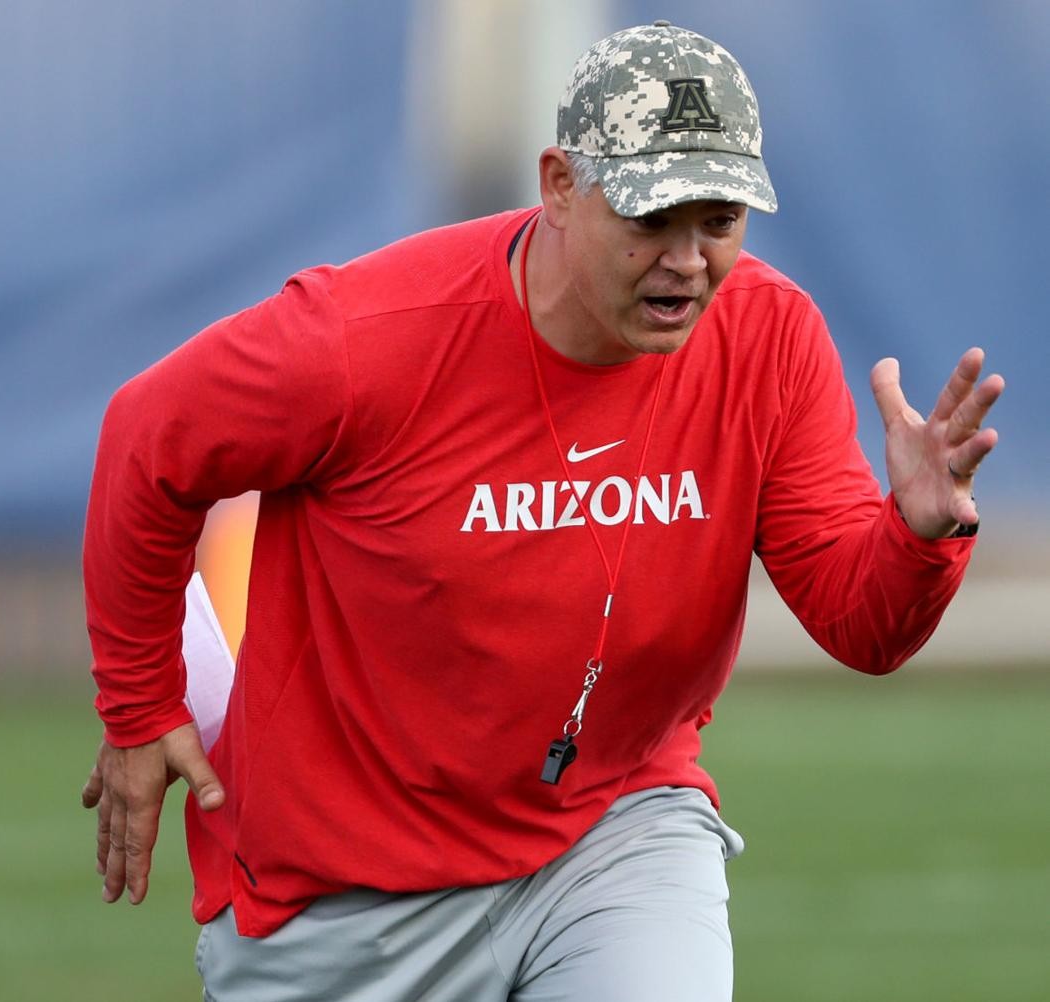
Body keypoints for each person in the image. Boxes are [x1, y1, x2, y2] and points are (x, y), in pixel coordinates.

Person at [80, 21, 1003, 1001]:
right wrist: (139, 708)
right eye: (652, 218)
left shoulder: (768, 339)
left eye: (719, 219)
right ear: (560, 185)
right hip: (344, 888)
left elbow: (858, 624)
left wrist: (916, 533)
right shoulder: (364, 337)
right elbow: (149, 438)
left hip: (610, 831)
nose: (688, 261)